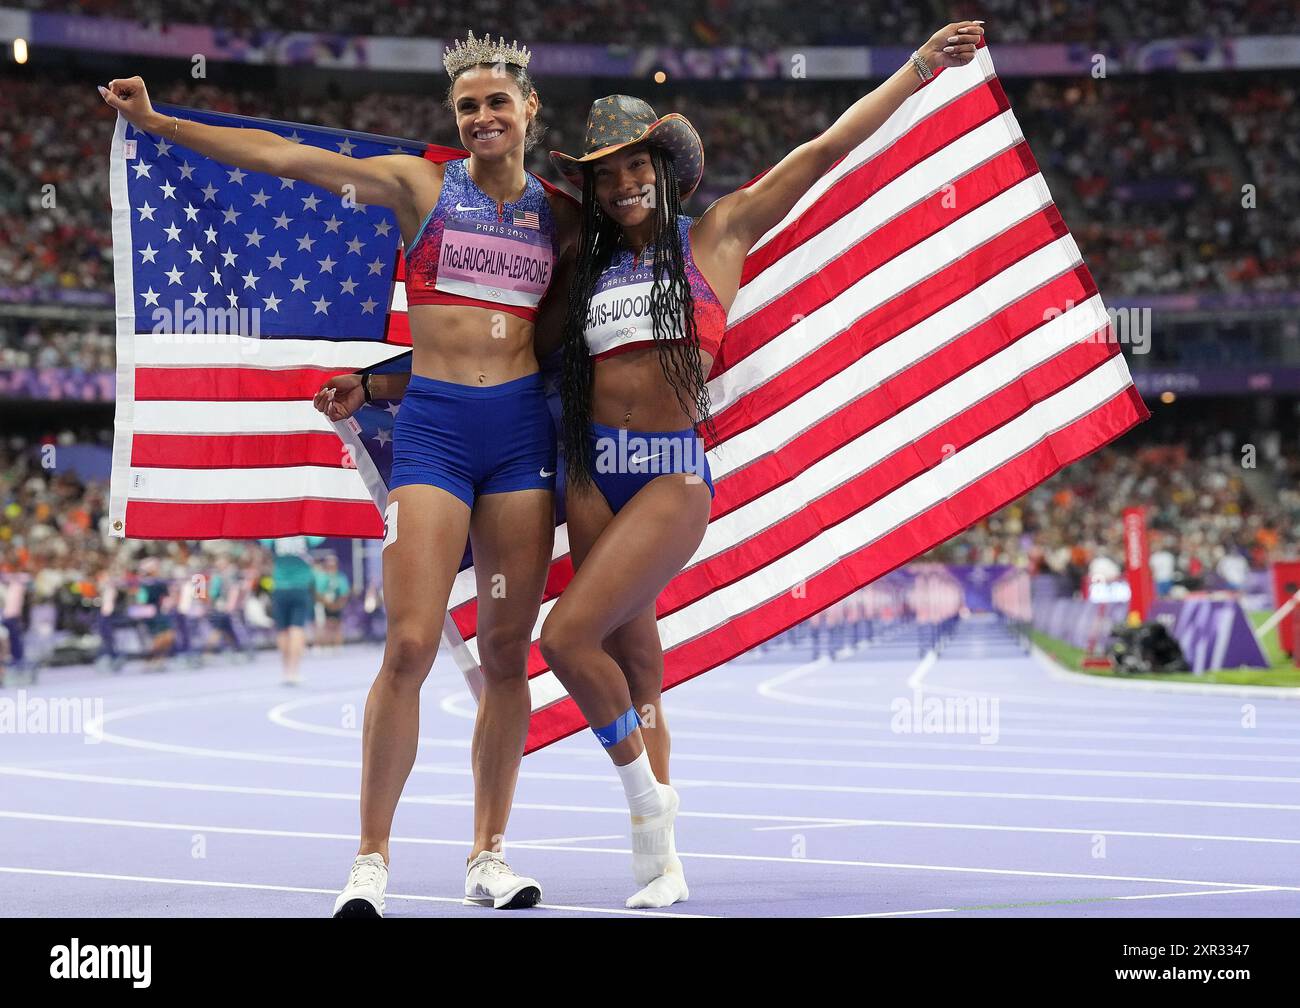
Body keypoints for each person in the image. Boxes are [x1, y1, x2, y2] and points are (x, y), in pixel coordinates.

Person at [99, 28, 579, 916]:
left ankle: (489, 855)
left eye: (496, 103)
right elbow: (286, 158)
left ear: (528, 110)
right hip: (435, 434)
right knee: (407, 644)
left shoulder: (563, 212)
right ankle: (370, 858)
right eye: (467, 105)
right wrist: (161, 124)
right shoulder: (418, 187)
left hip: (520, 439)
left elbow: (652, 235)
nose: (481, 116)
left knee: (508, 655)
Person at [539, 22, 984, 908]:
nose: (624, 182)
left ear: (663, 169)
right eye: (606, 172)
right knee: (635, 661)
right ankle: (661, 864)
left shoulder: (720, 235)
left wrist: (916, 70)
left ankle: (647, 804)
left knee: (564, 640)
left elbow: (823, 152)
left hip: (670, 474)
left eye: (637, 165)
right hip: (591, 472)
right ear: (589, 186)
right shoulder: (579, 267)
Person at [259, 536, 325, 684]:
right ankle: (294, 672)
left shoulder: (275, 536)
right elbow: (321, 535)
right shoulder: (306, 536)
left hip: (280, 588)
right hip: (300, 588)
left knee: (282, 630)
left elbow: (263, 540)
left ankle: (285, 671)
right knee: (297, 629)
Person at [314, 553, 350, 652]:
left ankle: (337, 646)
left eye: (333, 565)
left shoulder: (340, 577)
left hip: (337, 604)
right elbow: (318, 593)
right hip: (323, 604)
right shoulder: (321, 577)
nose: (331, 567)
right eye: (329, 565)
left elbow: (345, 593)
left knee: (337, 624)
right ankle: (323, 646)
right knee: (324, 625)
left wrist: (338, 604)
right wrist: (327, 604)